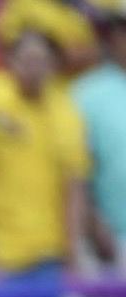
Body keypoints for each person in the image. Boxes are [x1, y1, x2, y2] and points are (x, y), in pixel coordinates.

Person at [0, 31, 99, 276]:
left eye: (41, 61)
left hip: (49, 253)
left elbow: (75, 188)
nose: (33, 69)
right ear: (10, 61)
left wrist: (73, 255)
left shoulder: (67, 112)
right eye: (26, 60)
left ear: (53, 65)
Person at [73, 3, 126, 268]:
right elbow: (78, 169)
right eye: (123, 31)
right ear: (112, 37)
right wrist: (93, 221)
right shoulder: (86, 94)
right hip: (112, 237)